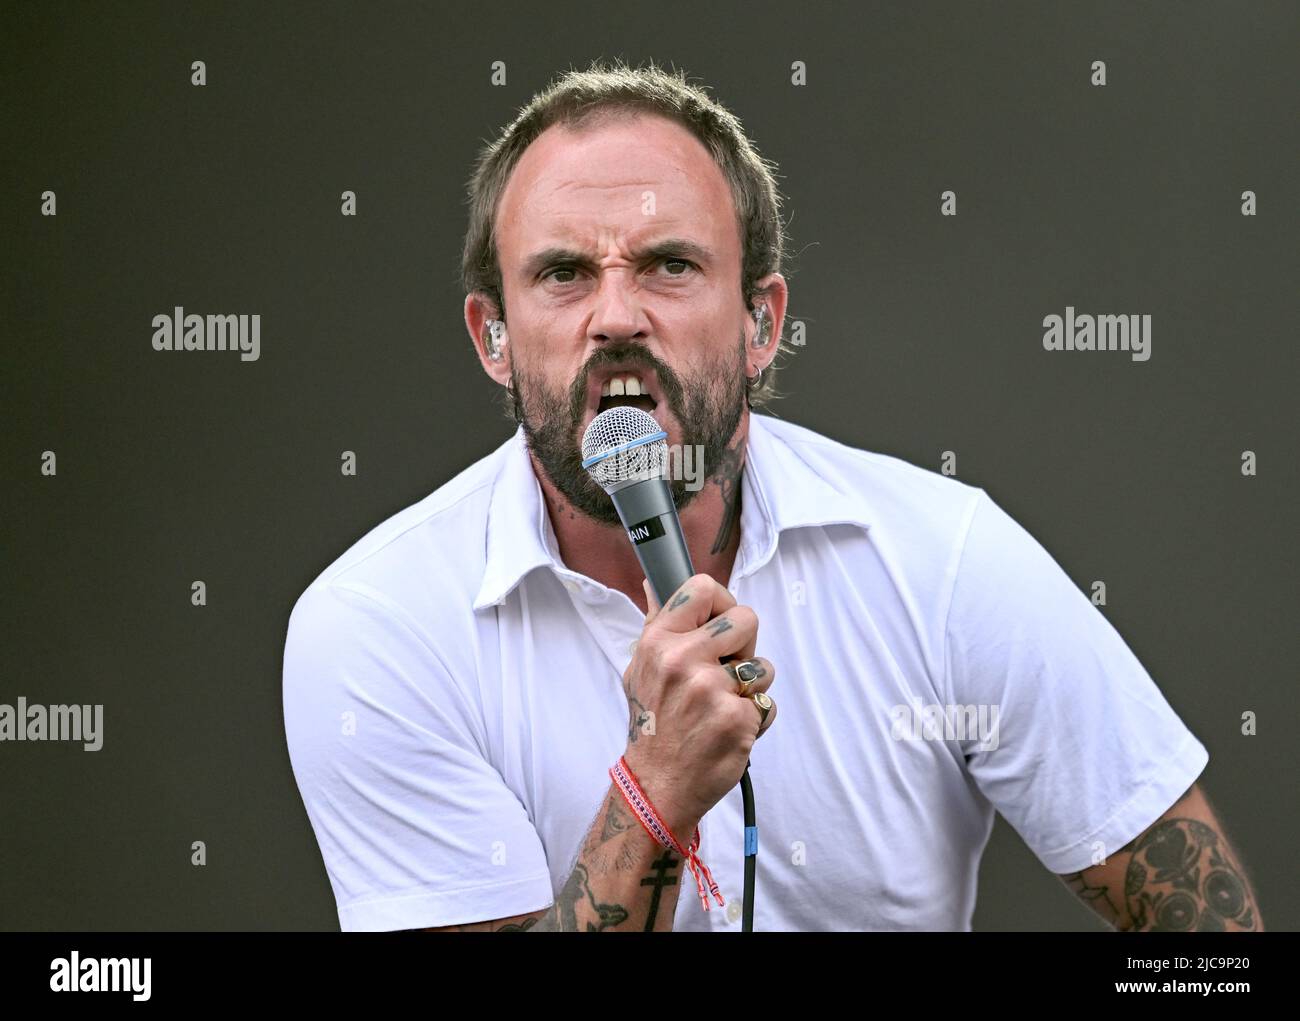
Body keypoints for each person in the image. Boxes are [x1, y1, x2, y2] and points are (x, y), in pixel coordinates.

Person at [281, 60, 1261, 932]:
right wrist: (651, 793)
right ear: (492, 338)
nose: (616, 314)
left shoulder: (943, 558)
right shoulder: (376, 625)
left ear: (761, 322)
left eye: (668, 264)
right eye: (563, 273)